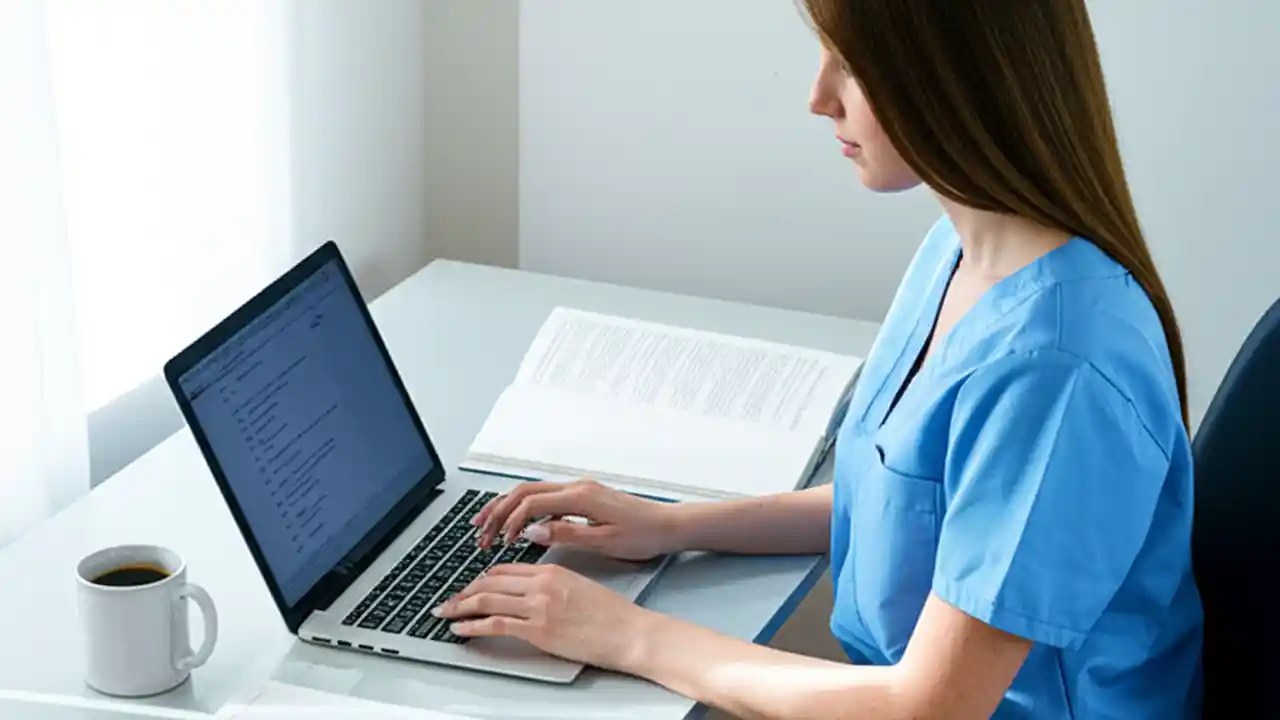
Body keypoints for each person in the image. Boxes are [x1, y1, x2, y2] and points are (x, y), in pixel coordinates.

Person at [432, 1, 1204, 717]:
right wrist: (669, 526)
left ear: (960, 80)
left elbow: (927, 707)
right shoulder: (960, 253)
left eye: (852, 65)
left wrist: (626, 636)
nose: (819, 96)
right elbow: (910, 503)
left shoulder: (1056, 369)